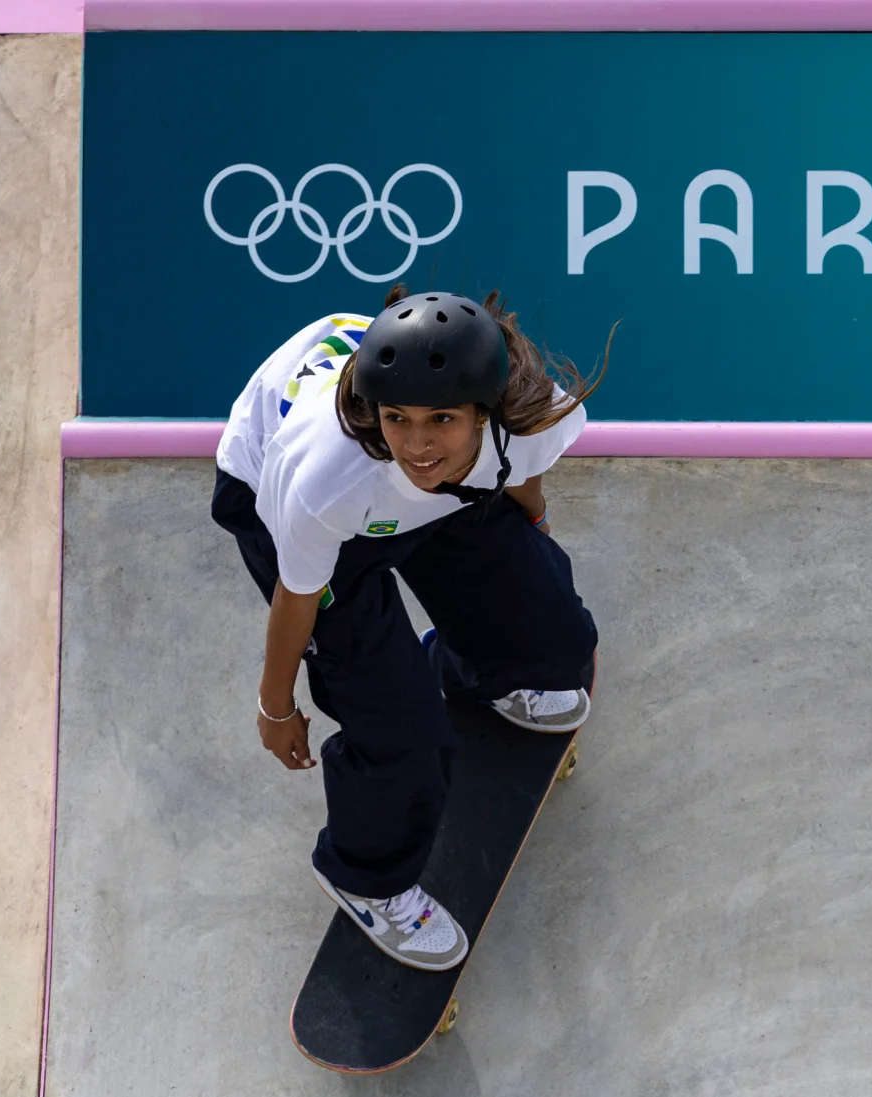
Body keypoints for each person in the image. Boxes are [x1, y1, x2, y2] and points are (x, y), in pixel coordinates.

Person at [211, 284, 604, 971]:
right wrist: (275, 707)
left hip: (429, 493)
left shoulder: (533, 416)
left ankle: (469, 670)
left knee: (552, 633)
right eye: (399, 418)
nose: (418, 445)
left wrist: (528, 554)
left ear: (487, 413)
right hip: (292, 511)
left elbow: (522, 479)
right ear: (378, 410)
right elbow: (296, 600)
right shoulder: (324, 476)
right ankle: (366, 880)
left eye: (442, 420)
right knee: (403, 736)